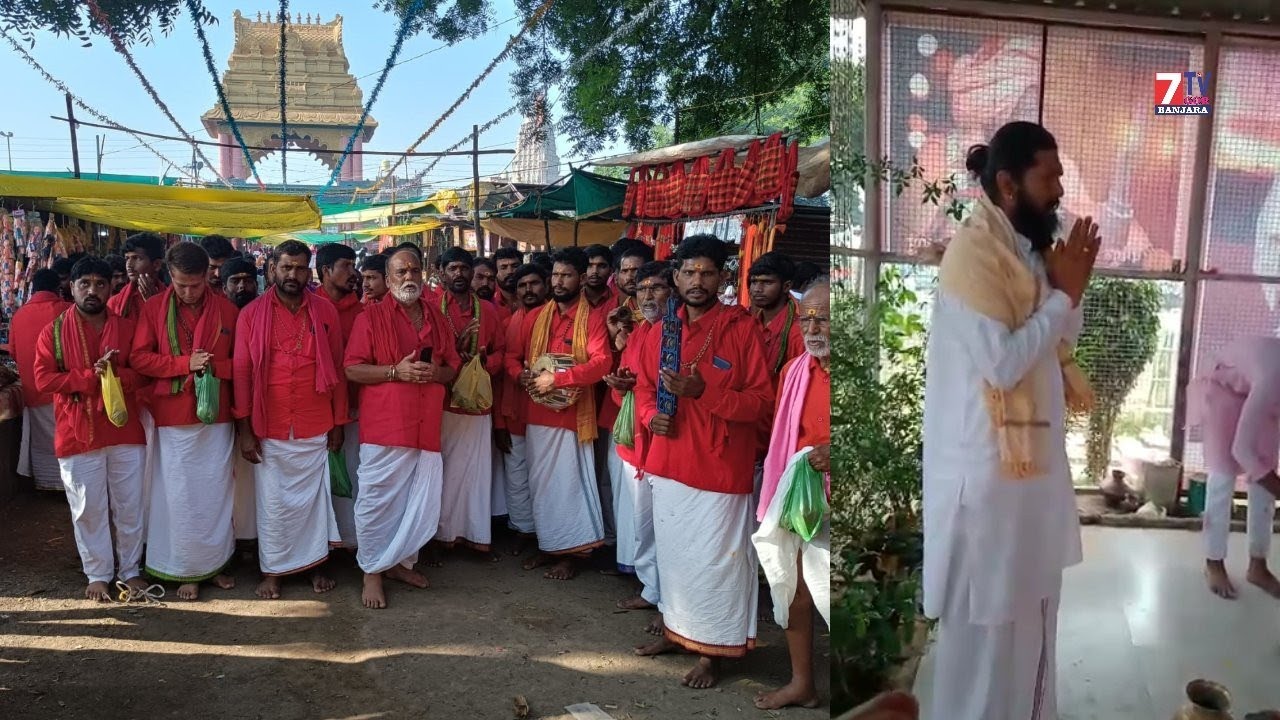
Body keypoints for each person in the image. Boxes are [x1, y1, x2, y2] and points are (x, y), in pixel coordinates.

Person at [921, 121, 1099, 720]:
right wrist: (1063, 298)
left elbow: (1055, 340)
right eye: (1048, 177)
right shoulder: (976, 255)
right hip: (987, 487)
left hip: (1025, 479)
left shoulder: (1025, 250)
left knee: (1029, 634)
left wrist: (1068, 294)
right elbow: (1002, 364)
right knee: (987, 644)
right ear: (1007, 183)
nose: (1059, 189)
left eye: (1059, 177)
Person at [631, 235, 773, 688]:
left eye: (707, 273)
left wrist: (703, 393)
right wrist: (653, 417)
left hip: (719, 469)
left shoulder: (741, 327)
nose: (697, 281)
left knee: (717, 563)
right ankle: (678, 630)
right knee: (674, 558)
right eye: (689, 272)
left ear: (722, 278)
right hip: (669, 461)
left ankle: (713, 653)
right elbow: (644, 389)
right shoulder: (661, 329)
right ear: (675, 277)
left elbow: (761, 403)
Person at [232, 240, 349, 600]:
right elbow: (241, 373)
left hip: (315, 420)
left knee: (315, 504)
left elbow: (339, 369)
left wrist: (339, 423)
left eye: (300, 268)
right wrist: (245, 430)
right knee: (273, 505)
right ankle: (273, 571)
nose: (293, 275)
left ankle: (315, 565)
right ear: (271, 270)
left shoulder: (325, 312)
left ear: (309, 271)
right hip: (272, 424)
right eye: (286, 267)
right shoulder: (251, 314)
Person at [344, 247, 459, 608]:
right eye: (400, 272)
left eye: (413, 270)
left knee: (415, 502)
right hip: (386, 429)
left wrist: (433, 373)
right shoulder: (370, 318)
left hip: (426, 427)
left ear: (422, 274)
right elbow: (352, 369)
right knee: (376, 502)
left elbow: (452, 367)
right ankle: (372, 572)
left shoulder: (437, 320)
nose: (408, 277)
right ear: (388, 277)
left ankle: (397, 563)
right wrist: (396, 371)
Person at [33, 257, 149, 601]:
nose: (93, 291)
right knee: (88, 508)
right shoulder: (52, 332)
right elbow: (42, 379)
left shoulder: (128, 328)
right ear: (71, 288)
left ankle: (130, 570)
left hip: (124, 430)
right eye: (85, 284)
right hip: (77, 432)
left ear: (110, 287)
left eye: (100, 284)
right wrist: (90, 377)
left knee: (129, 504)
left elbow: (143, 372)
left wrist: (117, 374)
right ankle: (97, 572)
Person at [132, 242, 240, 600]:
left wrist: (213, 367)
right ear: (170, 277)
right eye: (181, 285)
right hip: (173, 417)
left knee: (215, 495)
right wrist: (184, 365)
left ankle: (216, 565)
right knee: (178, 498)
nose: (190, 292)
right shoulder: (152, 309)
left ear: (208, 276)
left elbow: (242, 364)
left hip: (217, 418)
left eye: (196, 284)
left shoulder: (227, 310)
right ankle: (185, 570)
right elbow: (140, 359)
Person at [505, 248, 612, 580]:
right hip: (536, 415)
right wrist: (518, 375)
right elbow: (512, 356)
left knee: (569, 488)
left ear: (581, 279)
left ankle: (573, 555)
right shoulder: (538, 316)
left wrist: (561, 378)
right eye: (555, 275)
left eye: (566, 275)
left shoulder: (591, 318)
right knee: (540, 487)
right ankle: (548, 546)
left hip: (571, 419)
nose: (559, 281)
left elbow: (602, 363)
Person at [752, 280, 832, 711]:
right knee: (794, 588)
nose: (814, 327)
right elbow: (783, 436)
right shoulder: (795, 370)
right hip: (801, 495)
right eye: (807, 318)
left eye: (824, 317)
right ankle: (803, 683)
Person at [1189, 335, 1280, 600]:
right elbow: (1241, 448)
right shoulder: (1273, 375)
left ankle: (1258, 566)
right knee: (1224, 472)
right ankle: (1214, 563)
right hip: (1224, 389)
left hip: (1262, 396)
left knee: (1265, 474)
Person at [609, 261, 673, 626]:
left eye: (657, 287)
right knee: (643, 521)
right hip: (636, 438)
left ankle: (668, 597)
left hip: (662, 438)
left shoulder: (674, 332)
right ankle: (652, 589)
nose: (648, 294)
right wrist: (620, 387)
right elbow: (633, 386)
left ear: (672, 290)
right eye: (643, 288)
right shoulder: (638, 333)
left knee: (664, 522)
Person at [436, 247, 505, 557]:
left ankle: (473, 534)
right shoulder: (430, 307)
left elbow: (503, 353)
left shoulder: (488, 311)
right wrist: (453, 358)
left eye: (464, 268)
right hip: (441, 403)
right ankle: (439, 536)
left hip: (477, 403)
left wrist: (481, 362)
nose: (459, 274)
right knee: (442, 471)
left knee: (476, 471)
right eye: (453, 268)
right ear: (441, 273)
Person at [314, 243, 364, 552]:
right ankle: (321, 545)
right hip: (318, 409)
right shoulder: (309, 307)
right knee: (319, 481)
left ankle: (351, 541)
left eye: (353, 265)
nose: (353, 272)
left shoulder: (360, 310)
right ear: (325, 271)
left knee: (353, 475)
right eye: (346, 266)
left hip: (357, 407)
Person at [497, 263, 549, 555]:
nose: (529, 290)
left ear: (546, 285)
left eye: (534, 283)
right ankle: (524, 529)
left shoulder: (556, 316)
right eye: (522, 286)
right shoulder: (510, 321)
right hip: (514, 407)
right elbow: (508, 361)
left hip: (548, 410)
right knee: (516, 475)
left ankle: (548, 534)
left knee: (543, 475)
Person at [14, 269, 70, 492]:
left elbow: (15, 353)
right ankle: (68, 484)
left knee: (43, 439)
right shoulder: (68, 311)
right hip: (66, 387)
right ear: (58, 287)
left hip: (35, 388)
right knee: (67, 437)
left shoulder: (19, 315)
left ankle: (47, 483)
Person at [220, 254, 261, 551]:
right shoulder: (218, 316)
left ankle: (253, 538)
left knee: (254, 480)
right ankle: (229, 541)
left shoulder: (263, 314)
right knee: (227, 480)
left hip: (258, 409)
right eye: (235, 281)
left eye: (248, 279)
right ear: (223, 286)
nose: (242, 286)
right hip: (221, 408)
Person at [749, 251, 806, 378]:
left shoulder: (798, 333)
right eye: (754, 282)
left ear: (786, 286)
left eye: (767, 282)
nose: (757, 289)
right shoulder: (747, 323)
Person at [110, 232, 167, 320]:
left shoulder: (171, 300)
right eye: (127, 258)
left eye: (136, 258)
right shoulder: (115, 302)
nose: (129, 265)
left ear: (156, 264)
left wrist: (154, 304)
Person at [493, 247, 525, 311]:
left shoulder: (533, 297)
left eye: (515, 266)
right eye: (503, 267)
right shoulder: (490, 301)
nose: (510, 271)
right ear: (495, 272)